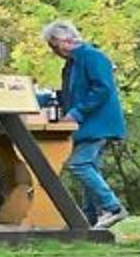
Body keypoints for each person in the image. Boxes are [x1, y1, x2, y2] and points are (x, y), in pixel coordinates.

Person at [42, 19, 128, 231]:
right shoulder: (71, 65)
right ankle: (89, 221)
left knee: (79, 164)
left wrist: (77, 113)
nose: (54, 51)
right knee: (91, 169)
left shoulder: (92, 56)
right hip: (88, 126)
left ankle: (113, 208)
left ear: (65, 40)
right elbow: (70, 94)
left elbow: (102, 89)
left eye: (53, 46)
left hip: (99, 124)